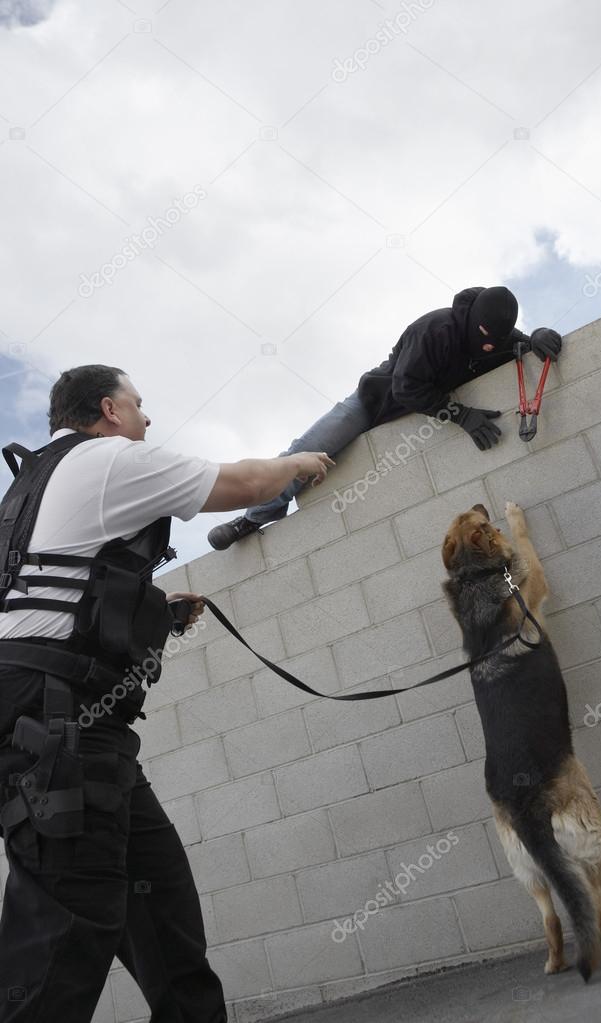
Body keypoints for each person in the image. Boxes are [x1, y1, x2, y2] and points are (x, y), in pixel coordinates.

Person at [0, 365, 333, 1023]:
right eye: (139, 403)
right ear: (109, 409)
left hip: (69, 726)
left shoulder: (30, 489)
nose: (147, 418)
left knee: (163, 911)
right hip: (58, 726)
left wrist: (154, 609)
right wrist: (302, 460)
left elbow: (54, 600)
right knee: (68, 927)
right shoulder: (109, 458)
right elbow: (243, 483)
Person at [207, 285, 562, 551]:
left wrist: (539, 338)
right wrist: (461, 414)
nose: (486, 347)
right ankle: (253, 518)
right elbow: (407, 388)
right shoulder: (435, 329)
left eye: (493, 342)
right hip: (375, 402)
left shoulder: (494, 338)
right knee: (307, 450)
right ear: (471, 322)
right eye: (483, 337)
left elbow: (519, 344)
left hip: (415, 412)